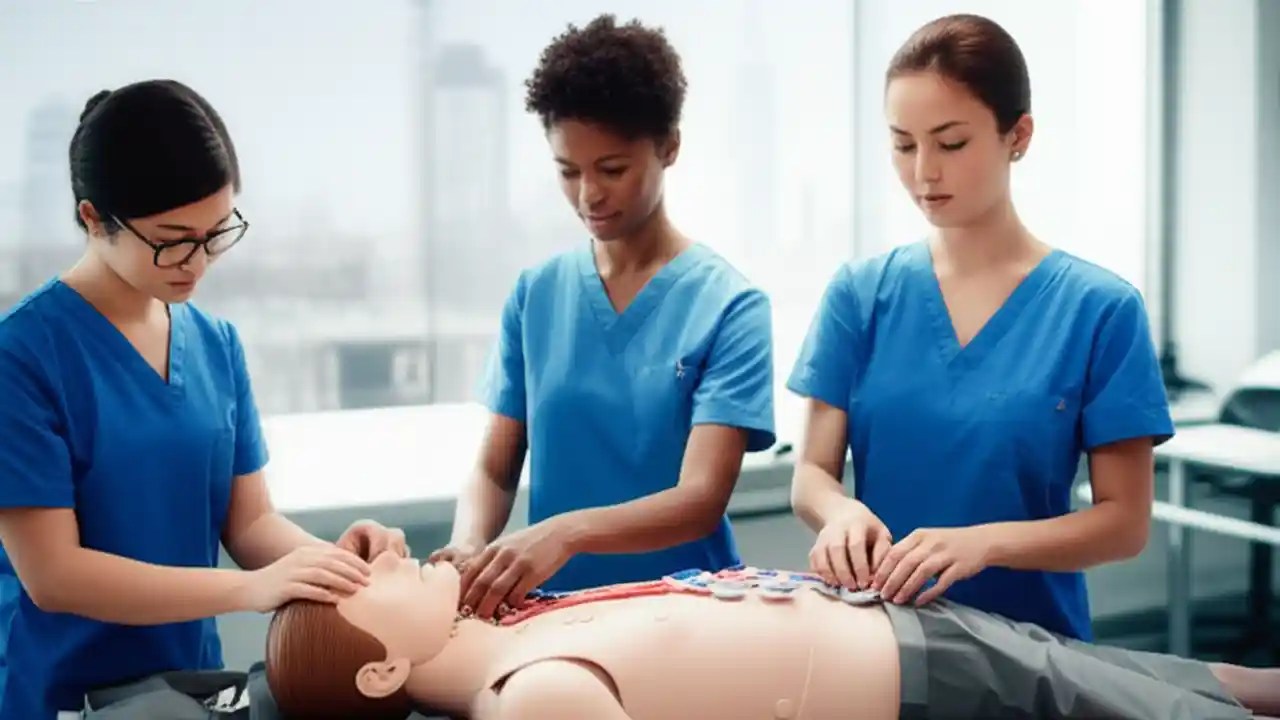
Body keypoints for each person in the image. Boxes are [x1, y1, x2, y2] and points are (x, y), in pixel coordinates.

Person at [0, 79, 408, 719]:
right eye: (173, 238)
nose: (197, 261)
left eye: (216, 232)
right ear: (93, 218)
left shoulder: (217, 344)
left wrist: (335, 564)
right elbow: (54, 576)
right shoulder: (23, 356)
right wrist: (249, 590)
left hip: (191, 693)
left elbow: (250, 525)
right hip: (63, 698)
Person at [786, 13, 1174, 642]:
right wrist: (839, 513)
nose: (924, 173)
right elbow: (811, 475)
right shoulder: (859, 295)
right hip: (881, 645)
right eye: (904, 145)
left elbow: (1124, 524)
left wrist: (983, 545)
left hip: (1035, 651)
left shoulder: (1101, 310)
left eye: (951, 143)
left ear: (1017, 135)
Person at [431, 14, 776, 618]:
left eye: (612, 169)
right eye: (568, 171)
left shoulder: (729, 306)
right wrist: (468, 544)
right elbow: (494, 470)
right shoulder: (536, 295)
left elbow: (700, 499)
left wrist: (566, 533)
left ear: (669, 146)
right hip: (554, 615)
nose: (588, 193)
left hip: (692, 617)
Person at [263, 550, 1280, 720]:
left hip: (903, 628)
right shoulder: (529, 696)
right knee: (1136, 704)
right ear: (384, 671)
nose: (388, 559)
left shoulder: (504, 632)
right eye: (367, 585)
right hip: (922, 677)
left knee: (1132, 673)